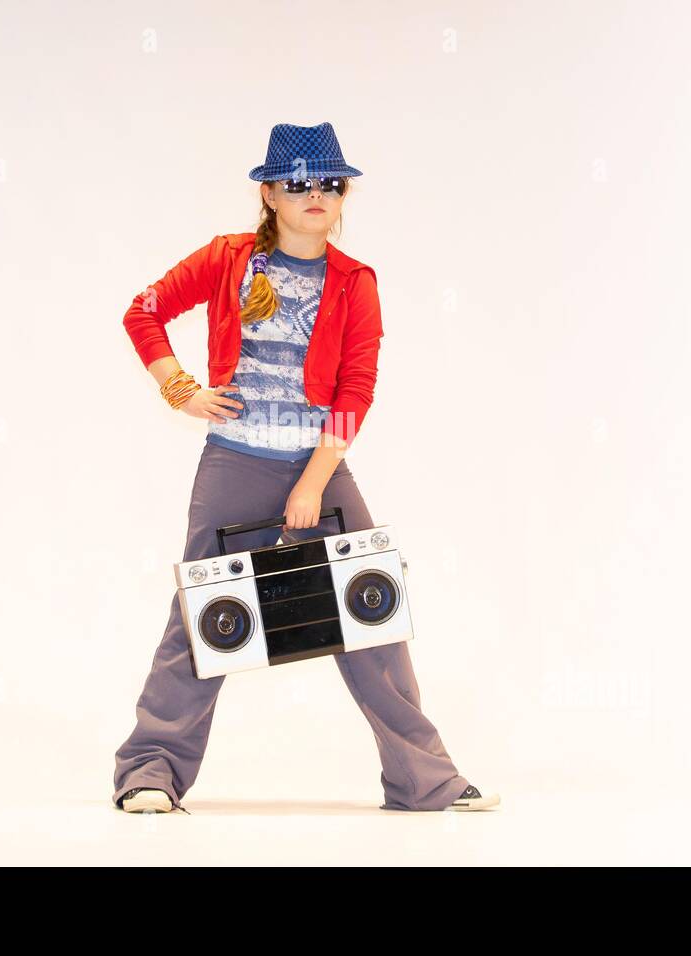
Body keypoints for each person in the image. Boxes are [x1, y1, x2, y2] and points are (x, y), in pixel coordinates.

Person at [112, 121, 499, 814]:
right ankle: (150, 770)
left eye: (328, 182)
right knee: (205, 614)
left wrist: (314, 483)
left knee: (370, 610)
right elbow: (143, 313)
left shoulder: (355, 283)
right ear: (269, 195)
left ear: (342, 194)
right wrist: (181, 390)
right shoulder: (227, 259)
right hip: (234, 462)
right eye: (297, 183)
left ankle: (424, 780)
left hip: (319, 467)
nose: (315, 194)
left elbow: (356, 391)